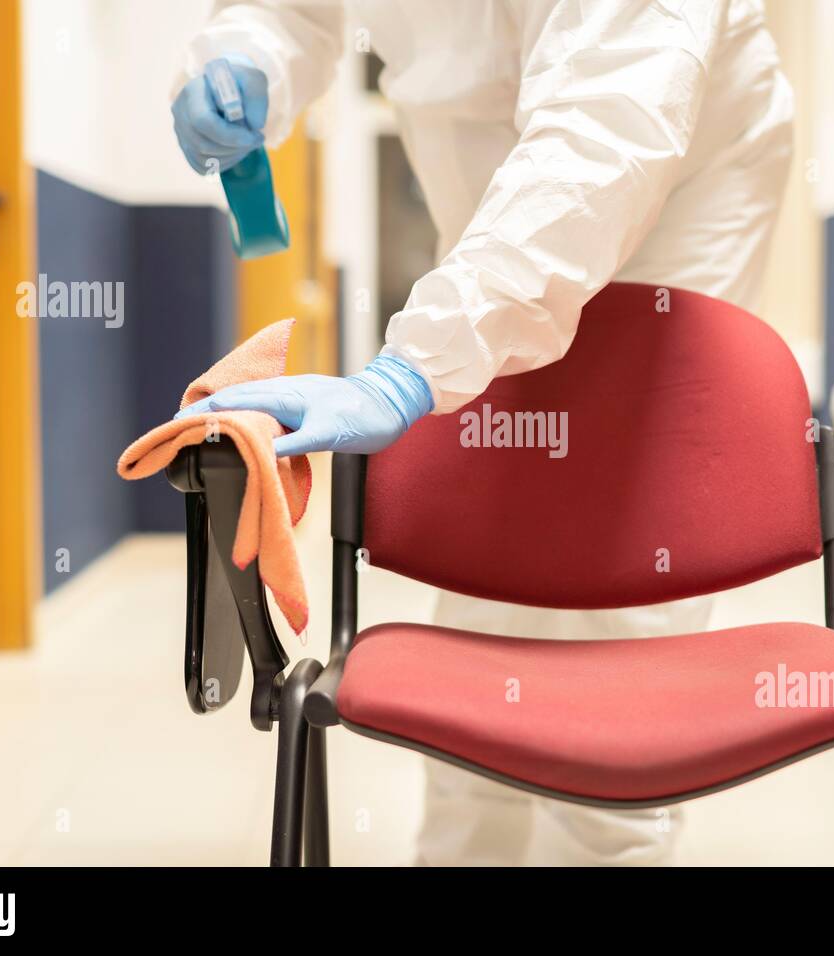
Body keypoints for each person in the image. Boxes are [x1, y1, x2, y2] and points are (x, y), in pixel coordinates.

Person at [175, 0, 793, 866]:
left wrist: (412, 367)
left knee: (625, 551)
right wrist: (249, 56)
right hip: (479, 175)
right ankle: (467, 847)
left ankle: (610, 841)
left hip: (676, 165)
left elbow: (602, 132)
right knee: (492, 548)